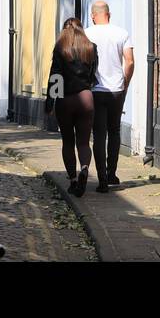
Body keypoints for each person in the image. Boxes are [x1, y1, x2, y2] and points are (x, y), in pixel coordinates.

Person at [84, 0, 134, 193]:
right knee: (114, 131)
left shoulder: (87, 34)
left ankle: (102, 179)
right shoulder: (122, 33)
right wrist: (125, 83)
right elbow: (129, 62)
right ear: (109, 14)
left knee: (98, 135)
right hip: (116, 90)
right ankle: (112, 174)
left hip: (95, 91)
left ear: (93, 16)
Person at [45, 17, 98, 196]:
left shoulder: (60, 48)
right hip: (86, 98)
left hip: (65, 99)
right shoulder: (91, 47)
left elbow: (56, 76)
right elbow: (92, 75)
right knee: (83, 142)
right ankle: (84, 168)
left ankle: (73, 180)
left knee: (68, 141)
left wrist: (50, 103)